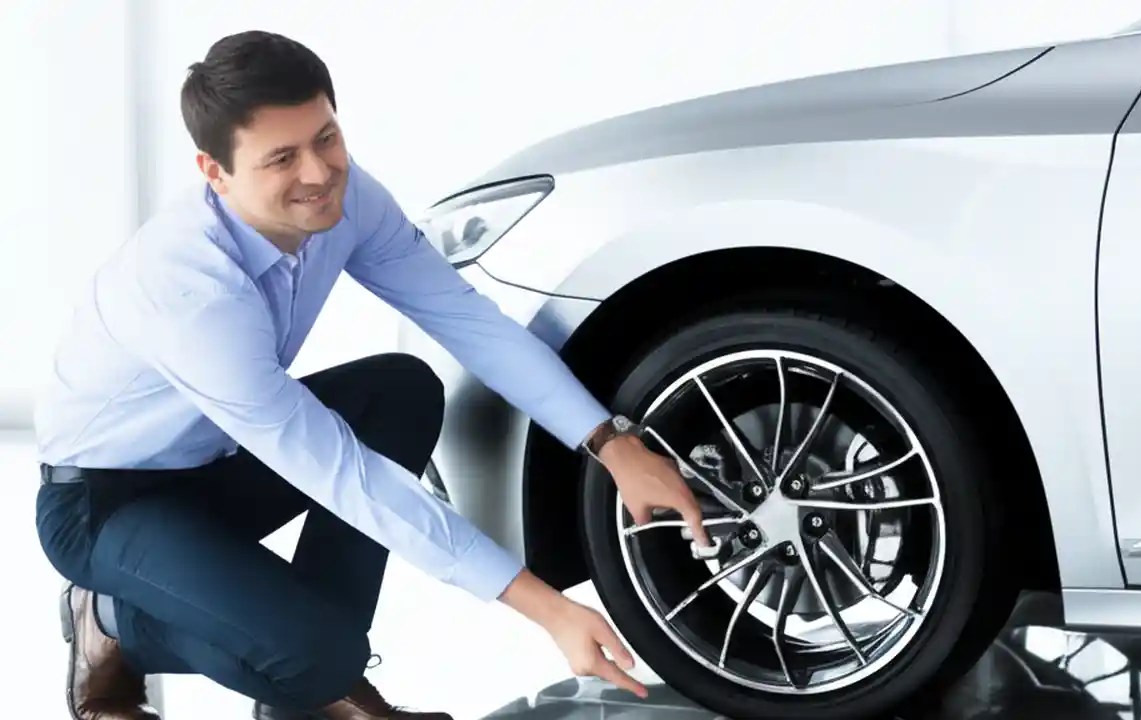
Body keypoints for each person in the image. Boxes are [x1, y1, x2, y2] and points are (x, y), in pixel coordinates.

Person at [33, 29, 712, 720]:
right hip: (106, 505)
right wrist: (549, 610)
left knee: (400, 390)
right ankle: (113, 620)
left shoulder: (348, 198)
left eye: (326, 137)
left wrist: (612, 443)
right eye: (281, 158)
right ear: (216, 171)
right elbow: (345, 476)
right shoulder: (192, 292)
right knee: (320, 654)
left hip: (216, 467)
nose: (319, 173)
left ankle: (315, 685)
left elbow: (467, 319)